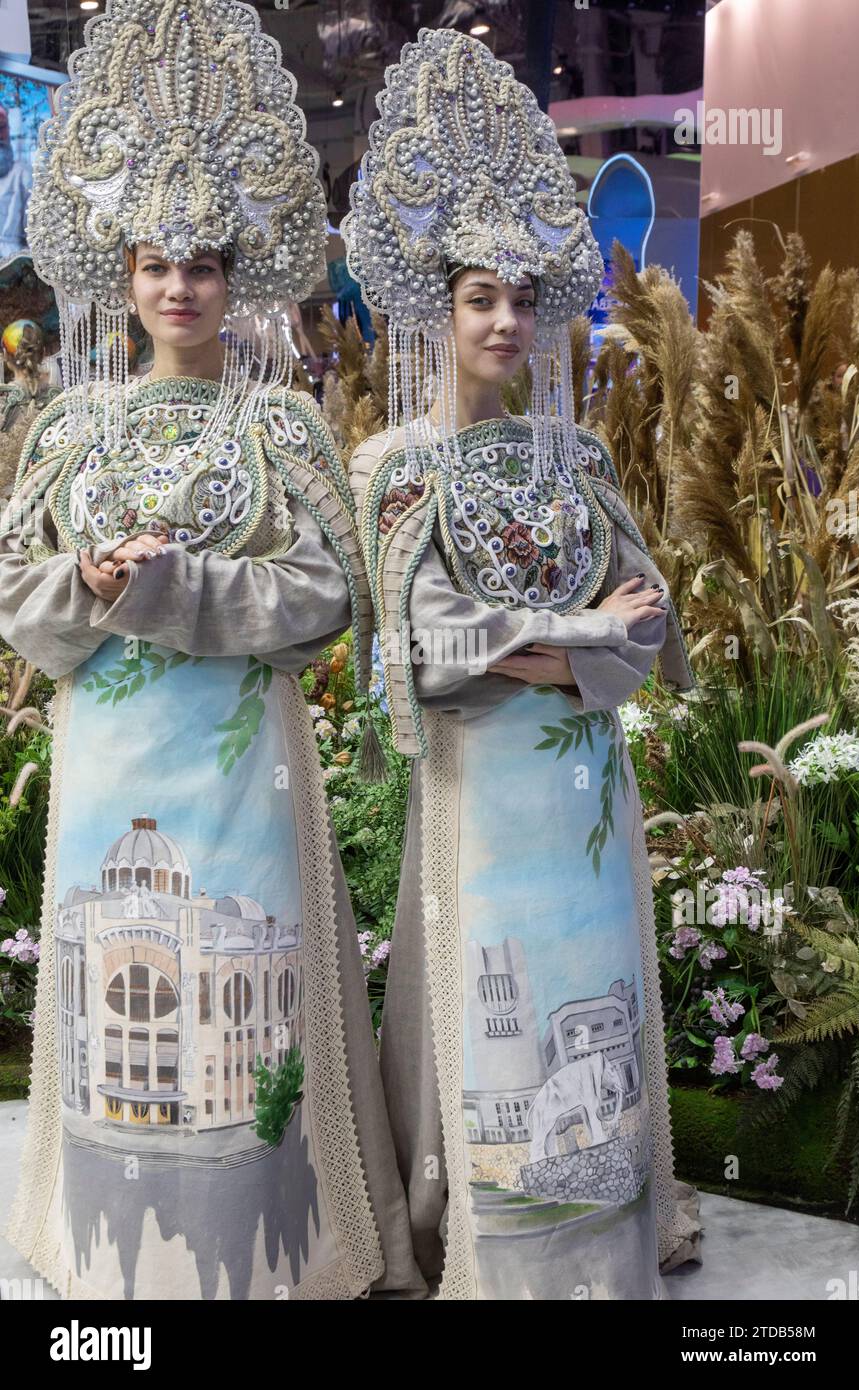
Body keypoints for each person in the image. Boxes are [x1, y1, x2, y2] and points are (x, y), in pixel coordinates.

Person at [1, 0, 424, 1301]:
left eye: (201, 262)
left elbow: (326, 597)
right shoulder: (68, 430)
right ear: (119, 279)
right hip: (111, 764)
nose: (178, 285)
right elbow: (16, 595)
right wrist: (81, 576)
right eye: (153, 263)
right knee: (116, 1003)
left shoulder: (281, 427)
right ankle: (117, 1276)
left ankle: (270, 1261)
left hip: (244, 782)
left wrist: (184, 587)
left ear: (234, 278)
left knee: (250, 1023)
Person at [342, 27, 702, 1299]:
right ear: (437, 309)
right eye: (475, 297)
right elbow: (423, 654)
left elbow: (650, 626)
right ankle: (476, 1234)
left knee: (587, 981)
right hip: (477, 799)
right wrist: (578, 643)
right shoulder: (394, 467)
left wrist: (578, 653)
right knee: (486, 1010)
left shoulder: (584, 464)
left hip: (582, 803)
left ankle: (607, 1225)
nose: (500, 319)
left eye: (518, 297)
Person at [0, 319, 59, 499]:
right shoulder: (60, 399)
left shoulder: (3, 399)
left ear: (4, 355)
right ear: (43, 354)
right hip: (45, 502)